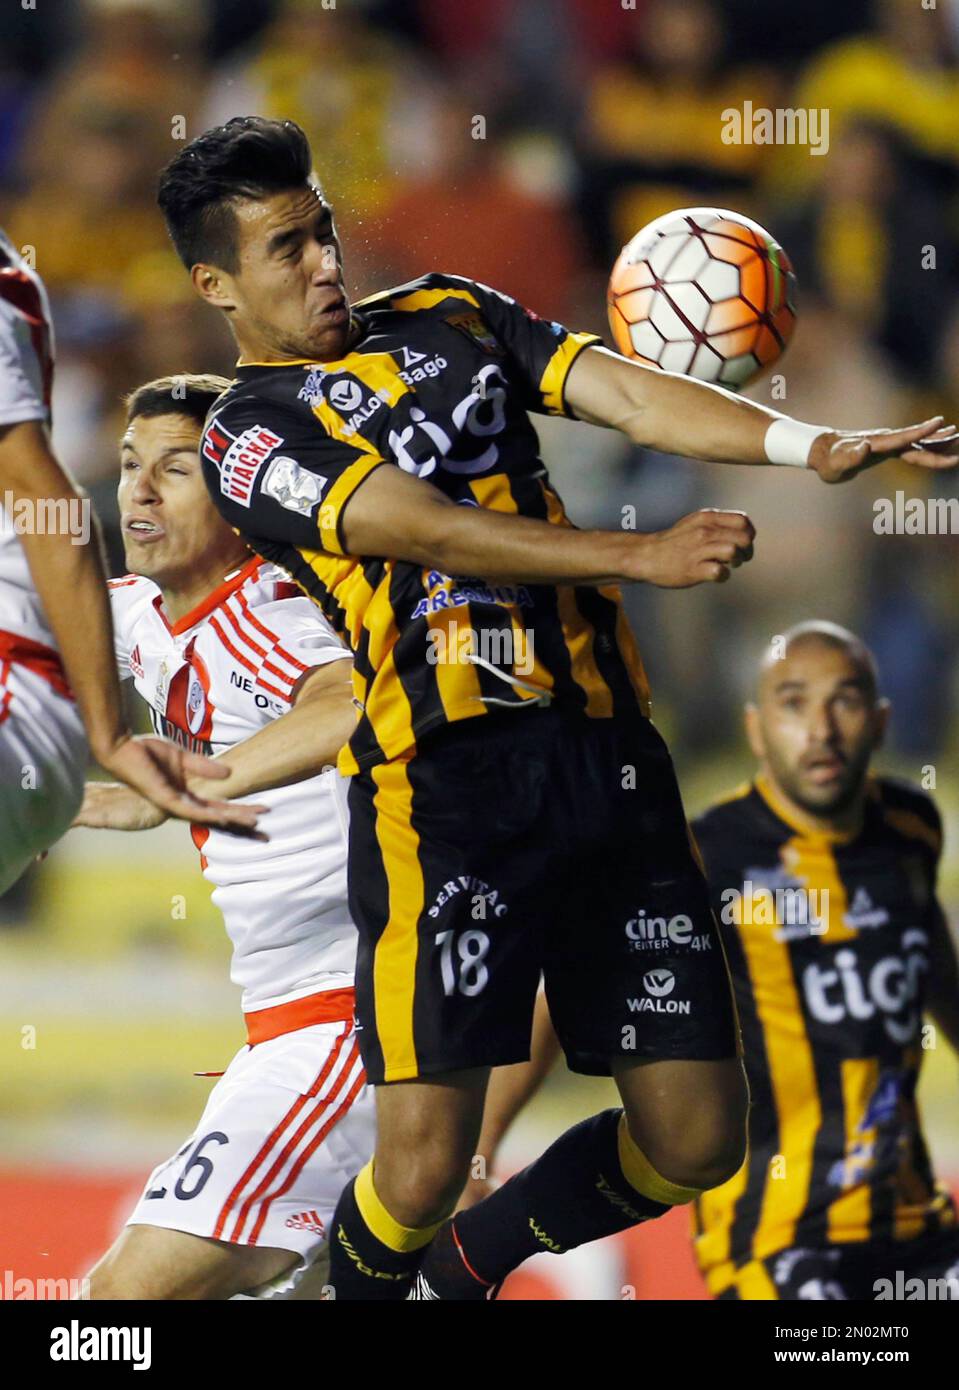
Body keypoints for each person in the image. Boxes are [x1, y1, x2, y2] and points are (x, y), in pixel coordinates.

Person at [155, 115, 956, 1300]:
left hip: (607, 761)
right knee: (420, 1168)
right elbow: (414, 526)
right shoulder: (244, 435)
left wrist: (810, 444)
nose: (327, 262)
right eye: (289, 248)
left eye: (325, 232)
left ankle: (463, 1268)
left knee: (694, 1138)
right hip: (446, 790)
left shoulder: (452, 315)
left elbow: (629, 396)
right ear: (214, 281)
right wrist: (632, 557)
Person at [78, 373, 557, 1299]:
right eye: (131, 465)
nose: (138, 490)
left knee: (117, 1309)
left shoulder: (270, 611)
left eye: (176, 470)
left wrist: (191, 784)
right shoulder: (142, 614)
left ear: (236, 493)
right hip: (295, 1022)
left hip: (348, 1022)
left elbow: (346, 703)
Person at [691, 622, 959, 1300]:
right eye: (792, 702)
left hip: (916, 1230)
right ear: (755, 730)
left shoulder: (910, 829)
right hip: (774, 1241)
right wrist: (484, 1145)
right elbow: (566, 994)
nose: (820, 729)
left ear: (878, 721)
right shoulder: (706, 856)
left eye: (842, 702)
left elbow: (934, 969)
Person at [0, 231, 258, 897]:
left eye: (178, 321)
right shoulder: (90, 395)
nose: (164, 336)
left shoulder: (252, 413)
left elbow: (50, 506)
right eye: (151, 321)